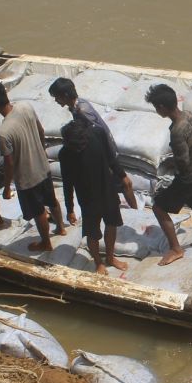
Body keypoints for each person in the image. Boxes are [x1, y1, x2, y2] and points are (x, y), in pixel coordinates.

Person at [0, 79, 66, 250]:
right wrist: (41, 153)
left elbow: (9, 163)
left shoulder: (4, 132)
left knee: (38, 211)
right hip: (43, 168)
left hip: (27, 178)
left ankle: (45, 243)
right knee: (52, 200)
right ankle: (61, 228)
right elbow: (41, 131)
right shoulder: (26, 107)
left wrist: (8, 187)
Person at [146, 83, 192, 266]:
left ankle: (176, 249)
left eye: (156, 107)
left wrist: (170, 165)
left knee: (158, 207)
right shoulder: (190, 115)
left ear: (162, 108)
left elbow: (183, 162)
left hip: (189, 177)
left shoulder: (176, 131)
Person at [47, 77, 138, 209]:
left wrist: (103, 157)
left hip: (105, 152)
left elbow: (99, 134)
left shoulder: (81, 111)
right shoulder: (78, 105)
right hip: (104, 150)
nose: (56, 100)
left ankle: (134, 210)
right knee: (116, 183)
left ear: (65, 95)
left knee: (123, 183)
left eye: (57, 97)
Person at [59, 113, 130, 275]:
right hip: (87, 196)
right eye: (76, 147)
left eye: (81, 145)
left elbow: (111, 158)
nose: (80, 149)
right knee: (92, 232)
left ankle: (110, 257)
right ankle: (98, 262)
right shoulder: (65, 154)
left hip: (107, 188)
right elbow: (67, 182)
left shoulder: (97, 134)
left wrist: (123, 175)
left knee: (112, 224)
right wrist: (70, 208)